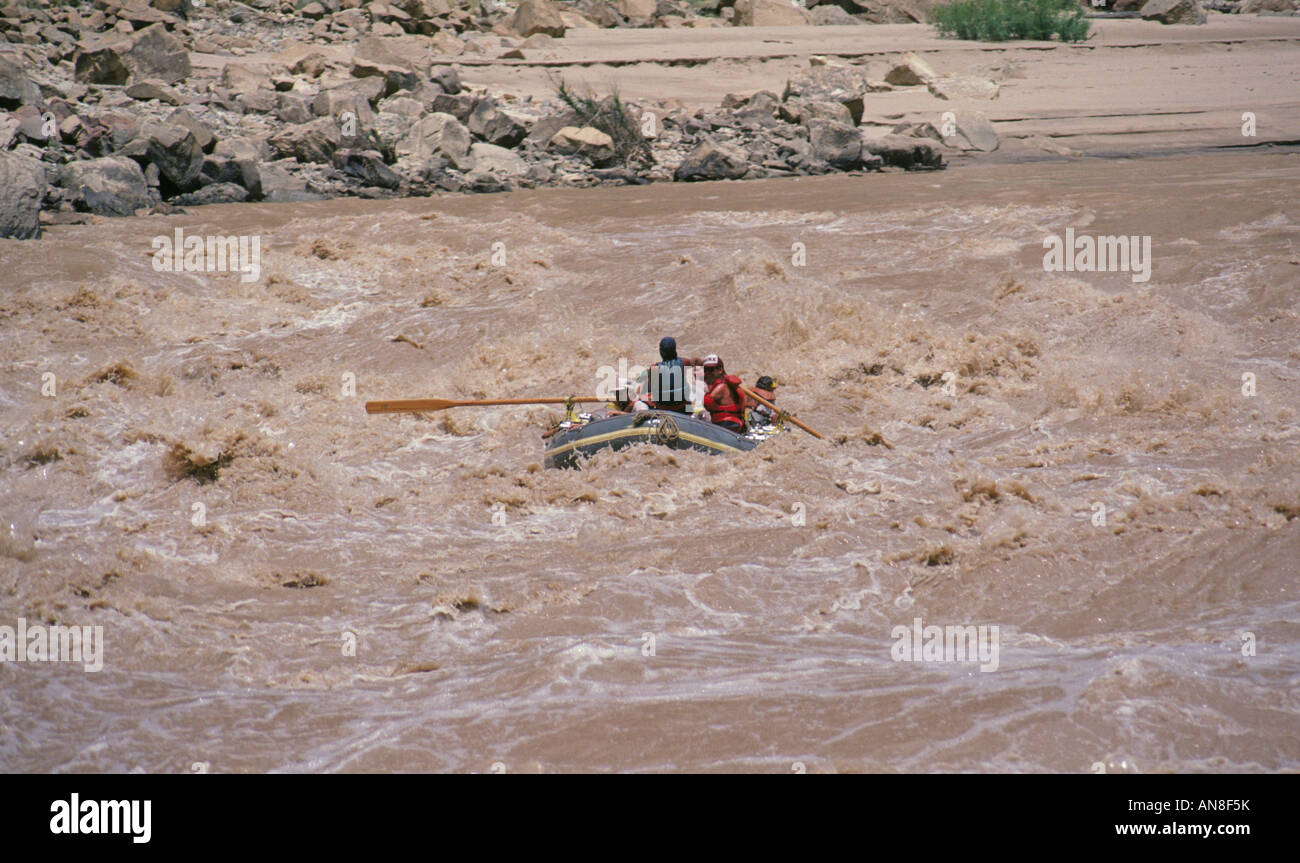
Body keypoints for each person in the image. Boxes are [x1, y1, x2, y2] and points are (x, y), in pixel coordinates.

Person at [639, 336, 706, 414]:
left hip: (663, 409)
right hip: (682, 408)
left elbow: (651, 389)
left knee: (642, 397)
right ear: (675, 350)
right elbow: (697, 361)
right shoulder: (684, 362)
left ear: (661, 351)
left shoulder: (654, 368)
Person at [701, 354, 747, 434]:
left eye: (711, 369)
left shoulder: (721, 387)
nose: (708, 373)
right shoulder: (719, 384)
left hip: (728, 424)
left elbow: (706, 402)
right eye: (705, 370)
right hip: (724, 423)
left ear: (720, 370)